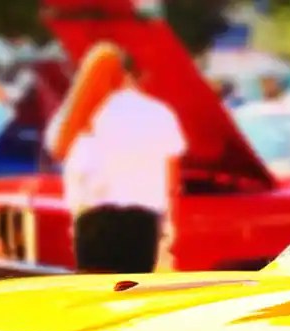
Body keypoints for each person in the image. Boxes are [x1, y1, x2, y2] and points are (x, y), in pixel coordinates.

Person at [44, 43, 187, 274]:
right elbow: (172, 182)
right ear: (137, 76)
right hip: (143, 223)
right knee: (134, 297)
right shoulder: (161, 114)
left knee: (97, 299)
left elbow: (70, 160)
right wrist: (170, 228)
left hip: (95, 220)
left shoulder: (86, 114)